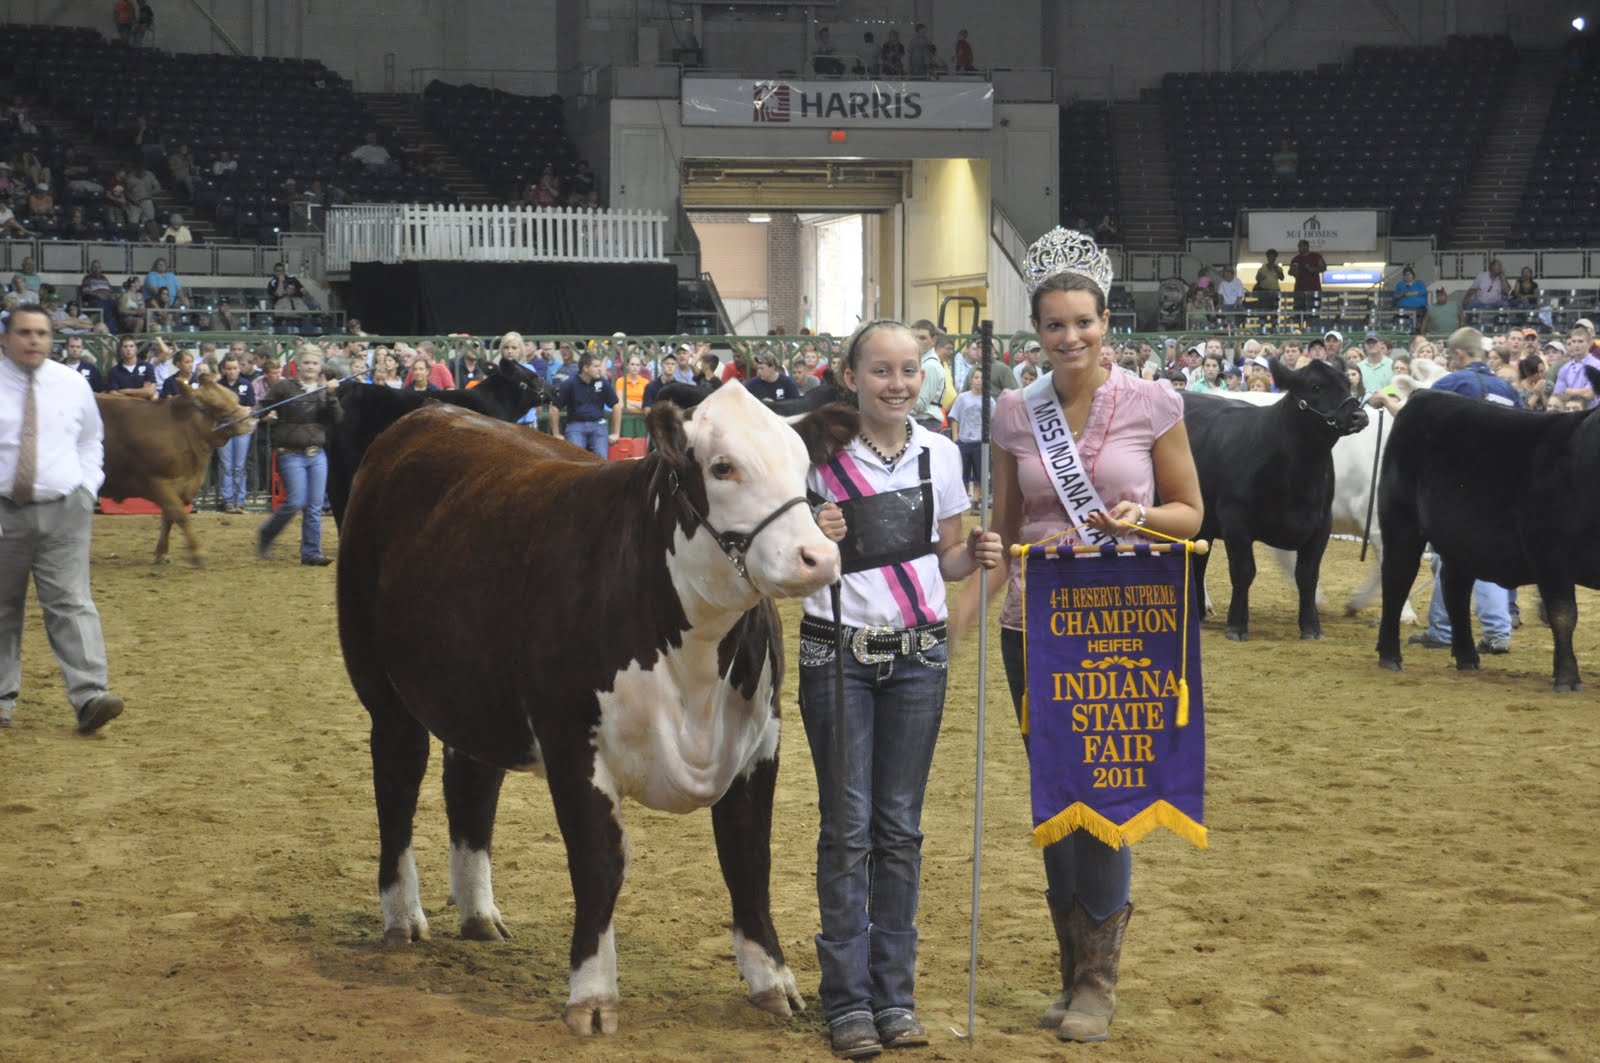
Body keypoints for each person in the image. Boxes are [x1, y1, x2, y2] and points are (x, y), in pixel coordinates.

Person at [987, 227, 1202, 1044]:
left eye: (1084, 321)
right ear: (1037, 330)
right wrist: (984, 567)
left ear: (1107, 321)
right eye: (1055, 324)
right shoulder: (1016, 411)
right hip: (1035, 627)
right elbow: (1006, 526)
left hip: (1124, 624)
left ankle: (1097, 982)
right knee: (1057, 794)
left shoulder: (1154, 402)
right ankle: (1069, 969)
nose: (1070, 336)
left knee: (1107, 788)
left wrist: (1141, 516)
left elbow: (1191, 514)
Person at [798, 319, 1002, 1059]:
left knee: (900, 828)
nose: (897, 384)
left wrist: (974, 552)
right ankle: (847, 1001)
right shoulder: (814, 454)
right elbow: (783, 559)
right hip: (837, 653)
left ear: (926, 375)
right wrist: (814, 531)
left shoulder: (939, 452)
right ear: (851, 377)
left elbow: (944, 557)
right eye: (881, 370)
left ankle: (895, 997)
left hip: (920, 655)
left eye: (909, 370)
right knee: (847, 828)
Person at [0, 307, 124, 733]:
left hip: (65, 510)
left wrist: (87, 489)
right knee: (1, 607)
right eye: (24, 332)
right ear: (5, 338)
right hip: (3, 512)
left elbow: (91, 440)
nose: (34, 340)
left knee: (72, 603)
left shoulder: (73, 384)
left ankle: (90, 696)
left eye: (42, 333)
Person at [1406, 327, 1522, 655]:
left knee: (1453, 553)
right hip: (1500, 484)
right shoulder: (1506, 389)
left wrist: (1386, 401)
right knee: (1485, 553)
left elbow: (1418, 426)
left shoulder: (1450, 384)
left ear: (1458, 354)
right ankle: (1494, 631)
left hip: (1458, 484)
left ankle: (1447, 630)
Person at [256, 345, 340, 566]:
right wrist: (258, 413)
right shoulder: (284, 386)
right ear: (297, 365)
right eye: (306, 363)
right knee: (295, 501)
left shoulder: (324, 390)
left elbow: (337, 418)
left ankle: (311, 552)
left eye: (314, 363)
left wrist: (331, 396)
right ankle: (267, 532)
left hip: (316, 453)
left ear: (320, 366)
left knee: (314, 506)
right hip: (290, 453)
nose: (310, 367)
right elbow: (263, 406)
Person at [551, 351, 620, 458]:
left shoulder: (602, 382)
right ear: (586, 368)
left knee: (601, 457)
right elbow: (554, 407)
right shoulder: (569, 383)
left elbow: (616, 405)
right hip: (575, 425)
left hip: (598, 424)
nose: (600, 369)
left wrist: (616, 433)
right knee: (577, 458)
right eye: (596, 366)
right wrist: (556, 434)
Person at [947, 366, 995, 509]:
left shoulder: (989, 400)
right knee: (962, 473)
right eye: (976, 377)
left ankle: (975, 500)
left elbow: (994, 420)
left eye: (982, 378)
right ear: (971, 380)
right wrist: (955, 438)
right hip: (964, 441)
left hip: (981, 443)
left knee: (980, 474)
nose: (979, 380)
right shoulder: (962, 398)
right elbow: (955, 418)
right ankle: (961, 501)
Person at [216, 355, 255, 513]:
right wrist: (239, 410)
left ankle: (240, 500)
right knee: (226, 465)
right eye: (229, 368)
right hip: (224, 429)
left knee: (239, 466)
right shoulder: (219, 386)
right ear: (224, 369)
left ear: (239, 369)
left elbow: (251, 407)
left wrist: (237, 411)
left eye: (235, 368)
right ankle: (228, 500)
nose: (232, 371)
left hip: (241, 429)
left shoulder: (246, 385)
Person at [1288, 239, 1325, 317]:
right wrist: (1294, 272)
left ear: (1306, 247)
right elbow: (1290, 271)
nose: (1299, 248)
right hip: (1300, 290)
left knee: (1314, 314)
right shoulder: (1296, 259)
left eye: (1300, 246)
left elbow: (1324, 267)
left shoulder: (1316, 256)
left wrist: (1313, 269)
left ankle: (1312, 324)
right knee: (1299, 314)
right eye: (1298, 246)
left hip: (1314, 290)